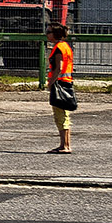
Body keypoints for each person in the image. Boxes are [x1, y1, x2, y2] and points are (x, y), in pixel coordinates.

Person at [47, 22, 76, 154]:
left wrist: (50, 83)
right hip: (66, 82)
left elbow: (58, 68)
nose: (46, 34)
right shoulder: (66, 46)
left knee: (60, 116)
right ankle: (64, 144)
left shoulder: (59, 48)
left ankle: (65, 145)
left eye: (49, 32)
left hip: (60, 84)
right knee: (64, 115)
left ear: (55, 34)